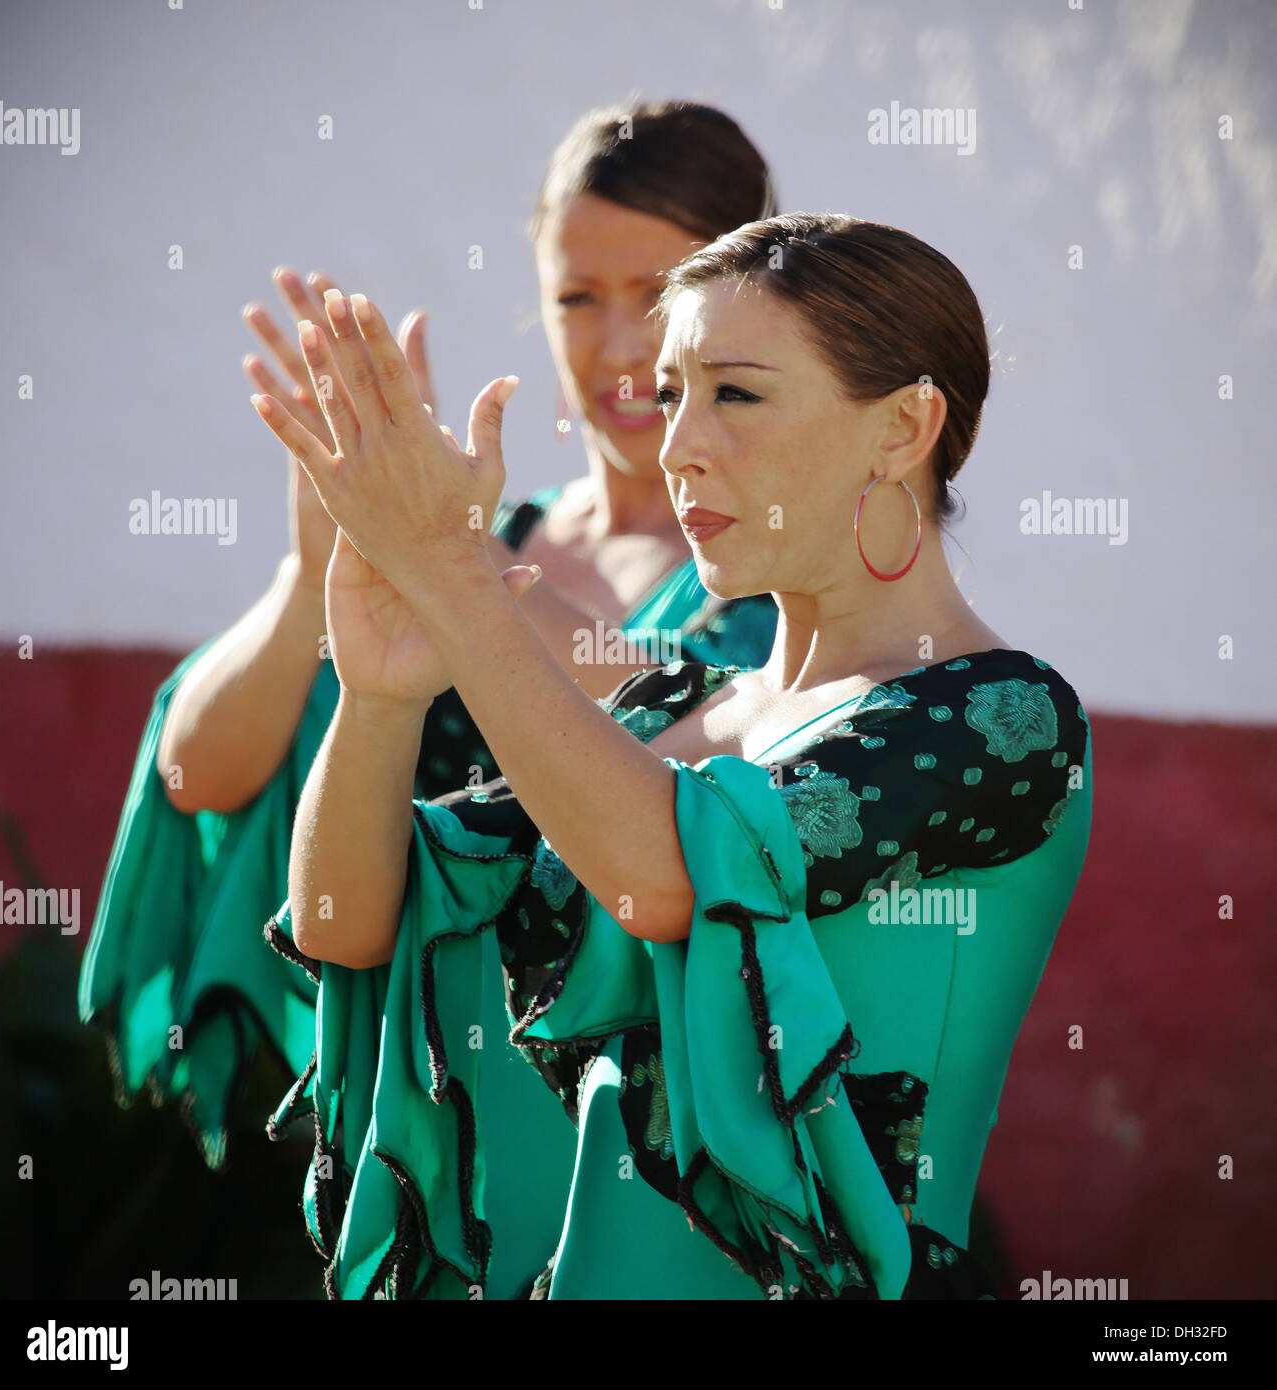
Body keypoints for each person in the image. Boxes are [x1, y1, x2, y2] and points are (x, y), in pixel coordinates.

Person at [256, 212, 1094, 1300]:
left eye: (734, 394)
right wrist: (375, 700)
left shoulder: (1004, 716)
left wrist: (460, 587)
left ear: (903, 427)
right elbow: (350, 925)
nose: (678, 442)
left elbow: (670, 878)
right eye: (671, 396)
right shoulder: (668, 716)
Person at [78, 100, 779, 1299]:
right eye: (575, 296)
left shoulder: (765, 562)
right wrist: (318, 575)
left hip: (643, 1154)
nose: (615, 346)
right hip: (406, 1127)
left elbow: (711, 720)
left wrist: (456, 580)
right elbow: (201, 773)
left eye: (654, 291)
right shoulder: (486, 533)